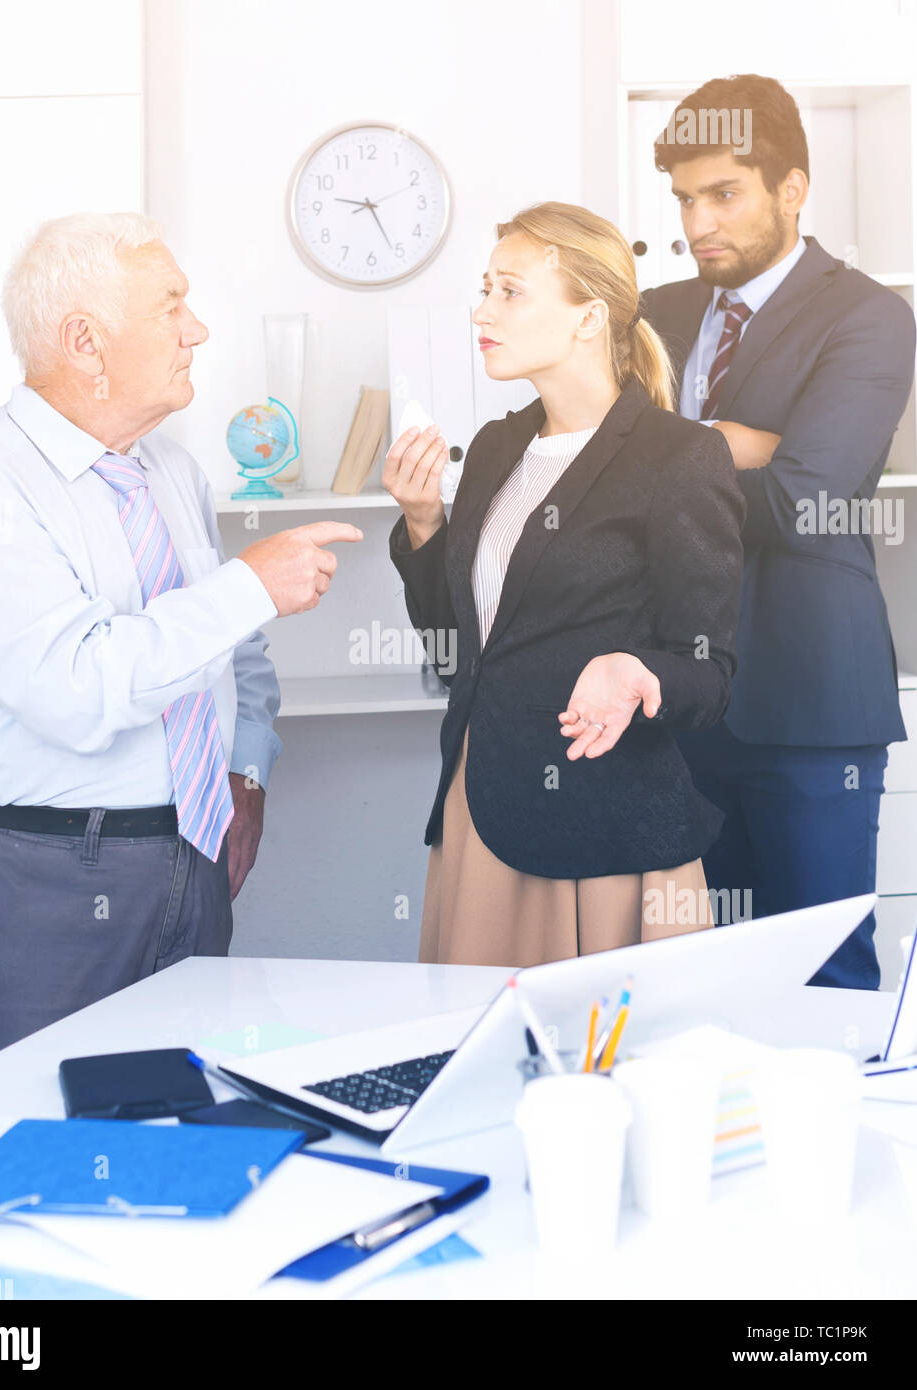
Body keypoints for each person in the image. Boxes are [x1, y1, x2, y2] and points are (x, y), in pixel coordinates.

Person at [0, 212, 361, 1061]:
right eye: (171, 308)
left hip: (192, 856)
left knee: (185, 1131)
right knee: (40, 1147)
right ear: (86, 341)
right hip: (43, 881)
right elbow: (78, 692)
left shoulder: (172, 471)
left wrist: (243, 772)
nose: (198, 331)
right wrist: (248, 584)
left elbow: (239, 654)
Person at [385, 202, 745, 968]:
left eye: (509, 291)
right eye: (485, 288)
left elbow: (709, 676)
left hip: (604, 838)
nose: (482, 310)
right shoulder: (492, 450)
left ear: (589, 316)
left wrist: (635, 671)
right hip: (478, 814)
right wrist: (423, 526)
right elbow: (459, 659)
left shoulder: (678, 458)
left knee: (610, 1077)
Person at [640, 74, 917, 989]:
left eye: (724, 194)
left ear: (792, 190)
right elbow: (601, 484)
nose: (698, 222)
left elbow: (806, 500)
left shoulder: (869, 316)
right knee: (700, 984)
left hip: (809, 707)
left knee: (824, 981)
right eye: (685, 199)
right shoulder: (656, 314)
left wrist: (671, 459)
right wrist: (729, 449)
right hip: (679, 706)